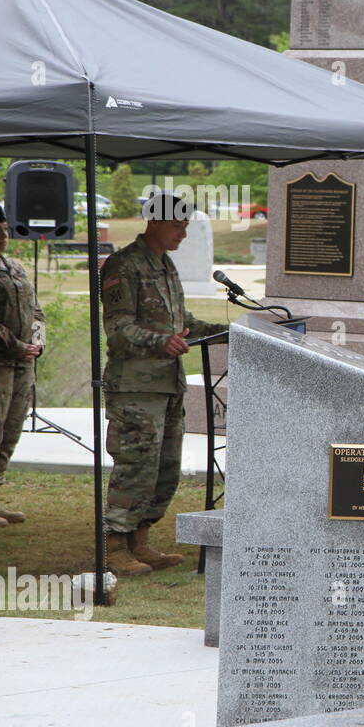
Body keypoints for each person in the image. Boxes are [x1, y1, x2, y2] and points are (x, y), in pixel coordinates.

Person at [101, 193, 228, 576]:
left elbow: (180, 322)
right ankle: (113, 547)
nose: (183, 233)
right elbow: (118, 327)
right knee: (135, 465)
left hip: (168, 385)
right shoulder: (123, 265)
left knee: (165, 468)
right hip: (136, 388)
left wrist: (227, 332)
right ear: (154, 221)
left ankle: (140, 540)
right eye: (177, 225)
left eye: (187, 225)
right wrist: (160, 341)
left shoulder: (165, 265)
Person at [0, 207, 43, 526]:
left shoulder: (14, 267)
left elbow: (35, 308)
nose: (4, 235)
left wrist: (37, 342)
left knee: (9, 431)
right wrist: (15, 345)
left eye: (5, 229)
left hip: (23, 364)